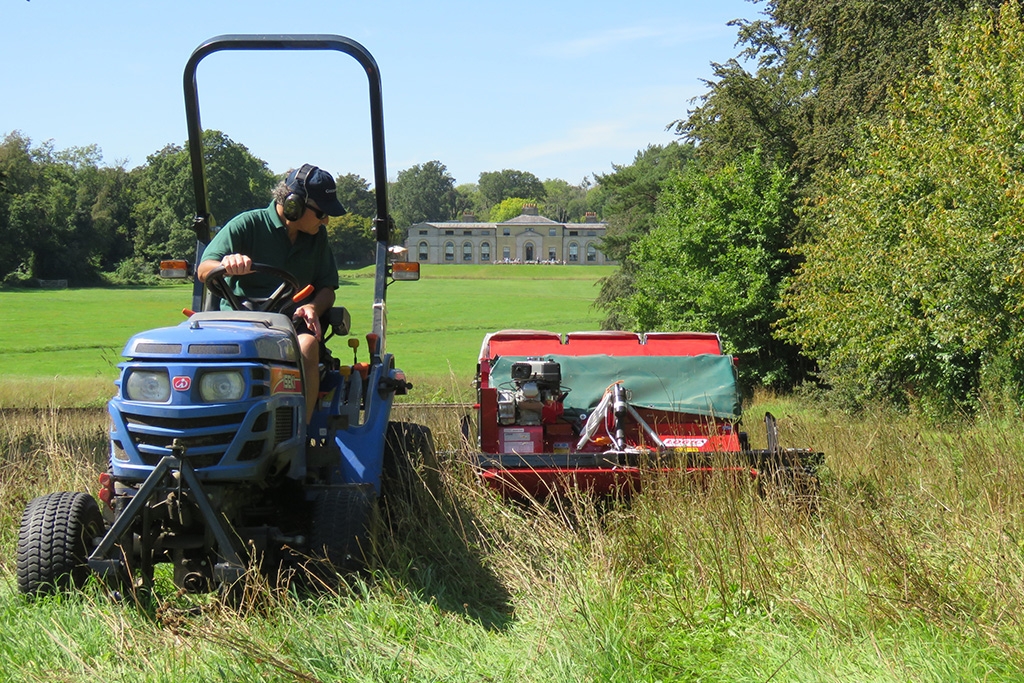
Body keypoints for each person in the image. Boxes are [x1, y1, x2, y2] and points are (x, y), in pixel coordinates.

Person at [197, 164, 345, 426]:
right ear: (293, 205)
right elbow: (204, 269)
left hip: (289, 325)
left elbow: (327, 288)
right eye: (321, 213)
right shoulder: (247, 224)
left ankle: (299, 434)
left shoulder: (317, 238)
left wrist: (312, 307)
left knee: (308, 346)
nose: (325, 221)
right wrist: (228, 264)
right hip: (237, 323)